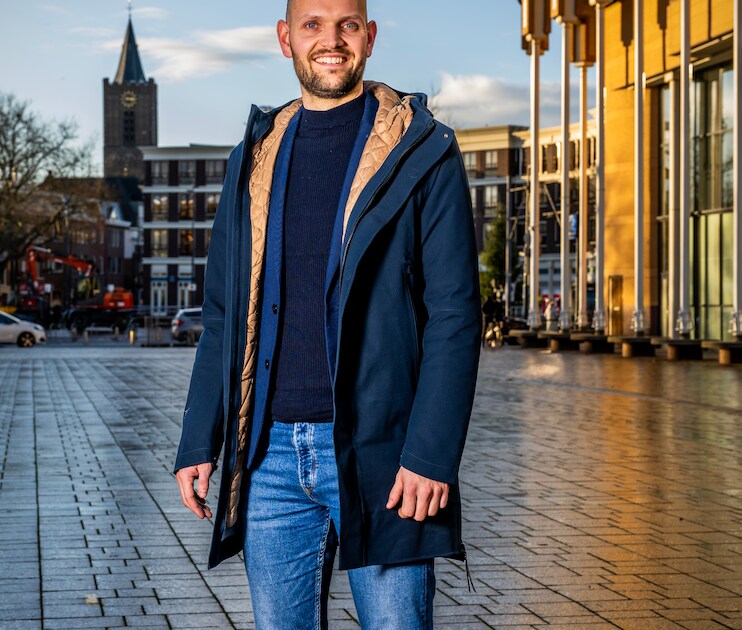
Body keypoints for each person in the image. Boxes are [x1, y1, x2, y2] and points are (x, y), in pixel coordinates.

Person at [172, 0, 481, 627]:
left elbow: (454, 314)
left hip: (384, 455)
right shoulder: (253, 157)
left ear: (370, 35)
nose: (331, 40)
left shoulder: (423, 150)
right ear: (285, 38)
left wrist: (430, 454)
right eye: (312, 24)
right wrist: (198, 439)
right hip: (269, 459)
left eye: (347, 25)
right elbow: (225, 313)